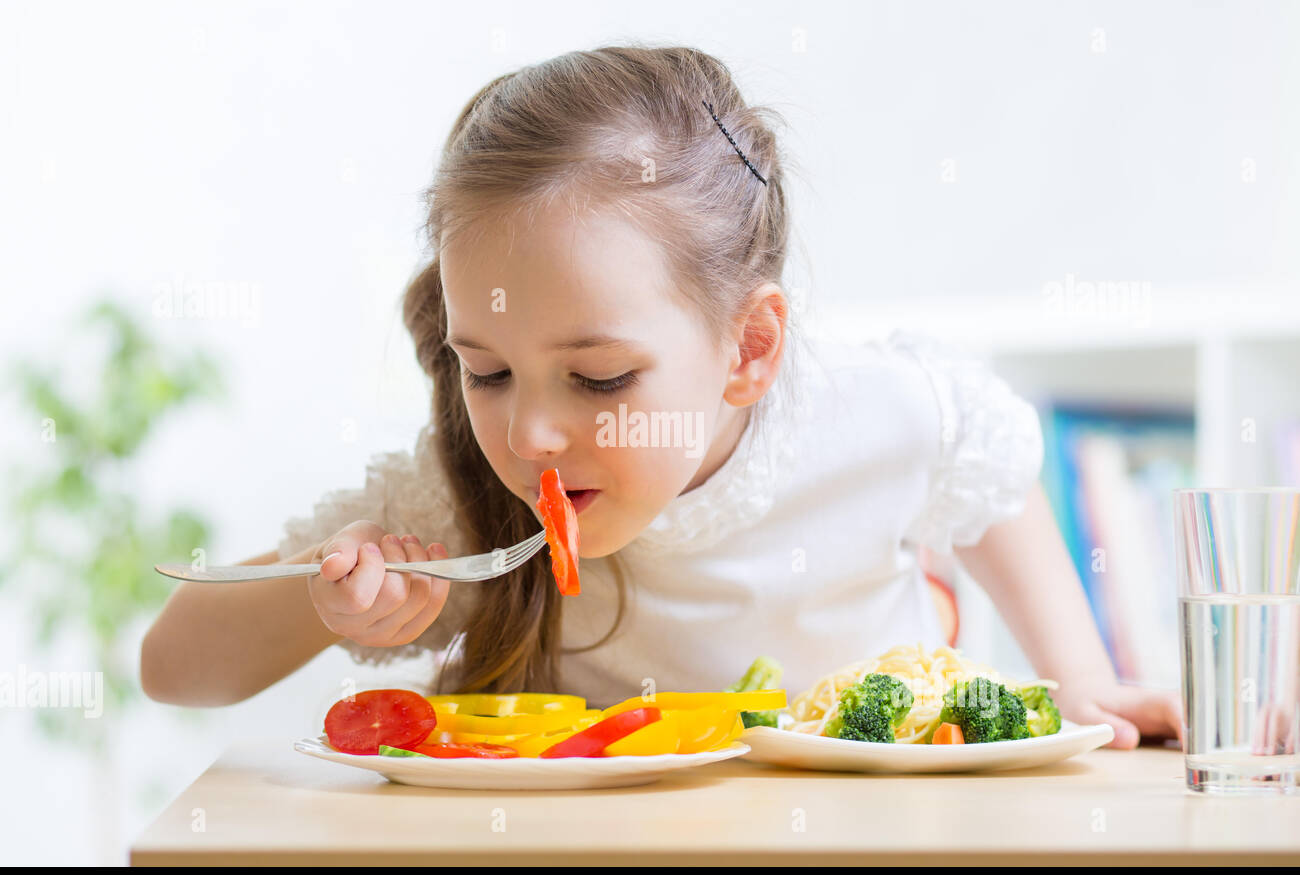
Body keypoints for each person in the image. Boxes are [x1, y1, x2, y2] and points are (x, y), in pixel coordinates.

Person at [141, 44, 1182, 749]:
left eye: (600, 379)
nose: (529, 430)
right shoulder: (469, 501)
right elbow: (173, 668)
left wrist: (1079, 674)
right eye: (487, 369)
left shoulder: (874, 412)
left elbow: (984, 460)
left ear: (750, 347)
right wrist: (326, 602)